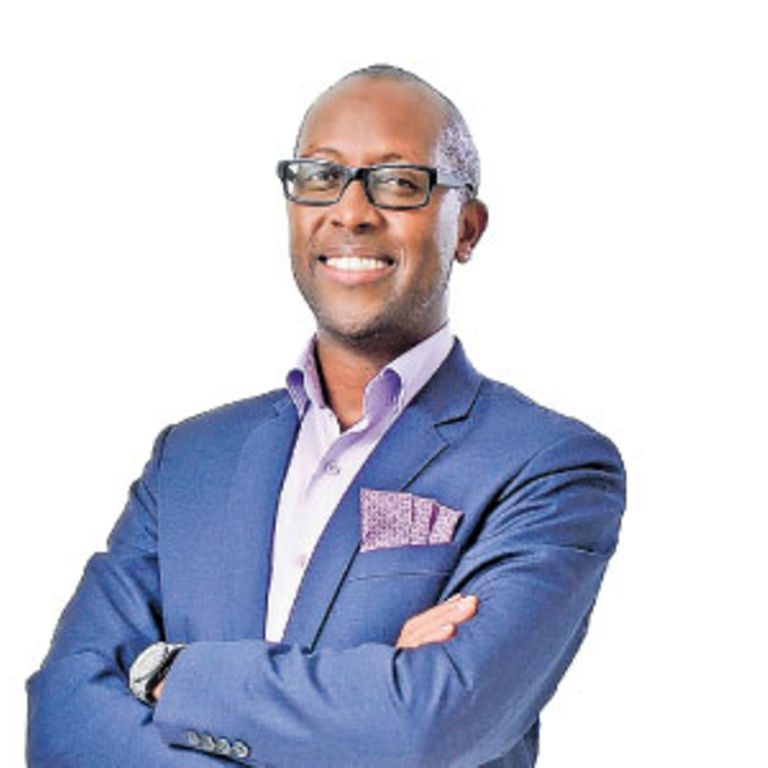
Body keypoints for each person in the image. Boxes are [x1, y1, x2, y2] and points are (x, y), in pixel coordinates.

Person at [26, 64, 626, 767]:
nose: (351, 211)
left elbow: (427, 727)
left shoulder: (550, 467)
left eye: (398, 182)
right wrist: (365, 697)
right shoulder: (188, 459)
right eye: (320, 176)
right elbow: (62, 721)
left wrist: (169, 673)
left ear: (466, 229)